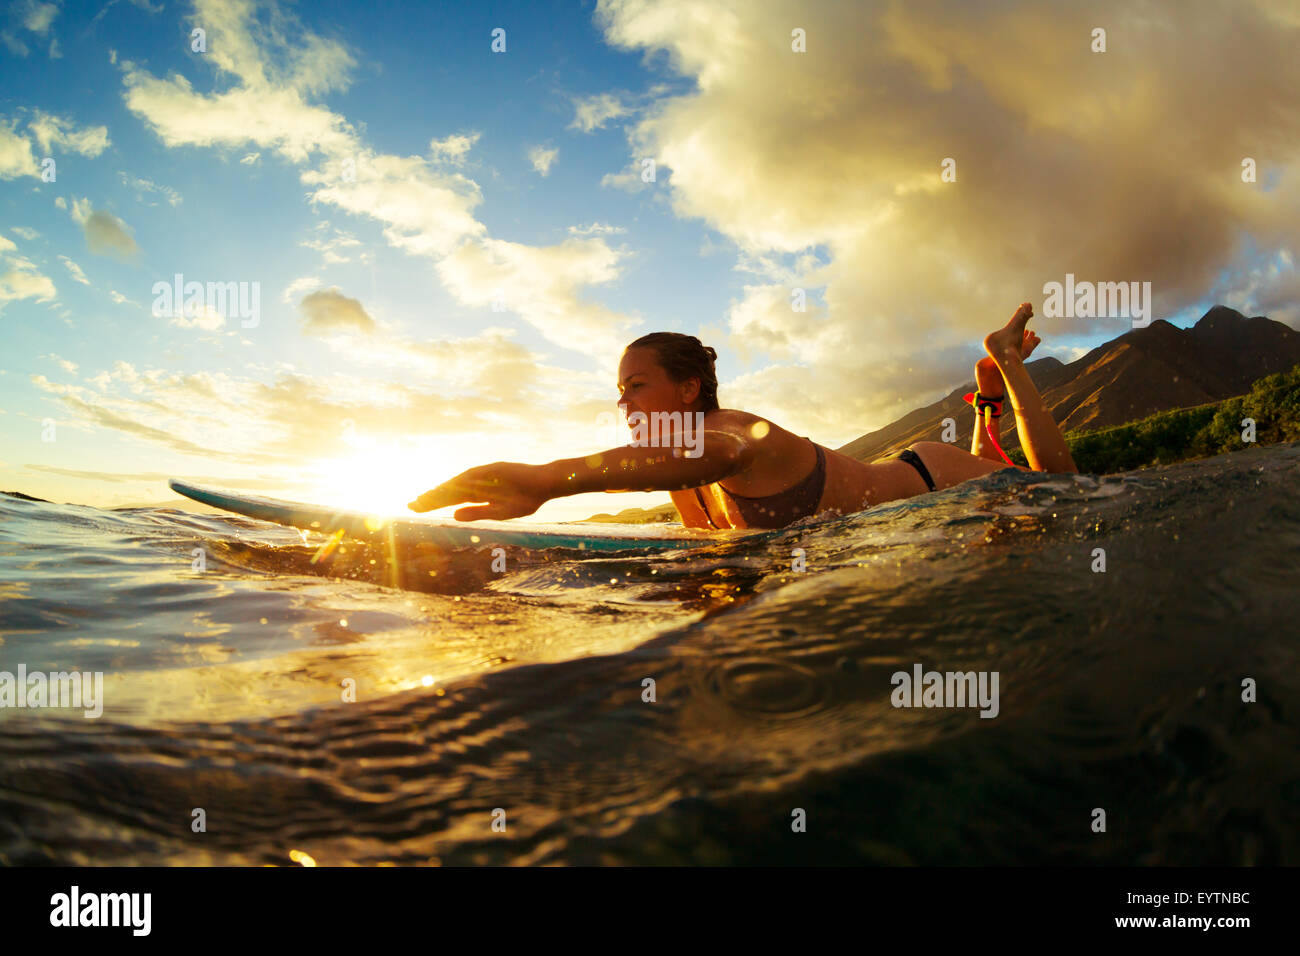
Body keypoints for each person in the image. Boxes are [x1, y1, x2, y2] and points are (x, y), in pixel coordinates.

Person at [408, 303, 1078, 529]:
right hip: (914, 500)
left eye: (637, 386)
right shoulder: (677, 473)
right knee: (1013, 478)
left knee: (1063, 491)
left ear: (688, 388)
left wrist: (545, 481)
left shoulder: (731, 434)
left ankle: (1006, 366)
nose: (624, 403)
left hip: (926, 479)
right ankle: (988, 397)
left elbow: (625, 469)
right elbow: (713, 558)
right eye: (620, 391)